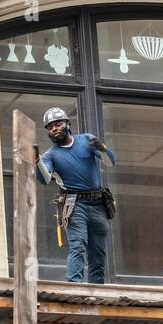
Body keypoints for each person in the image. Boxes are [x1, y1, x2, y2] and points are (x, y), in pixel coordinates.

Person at [36, 107, 116, 284]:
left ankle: (97, 289)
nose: (54, 129)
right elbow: (44, 178)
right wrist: (37, 161)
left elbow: (110, 163)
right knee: (78, 245)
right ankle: (74, 285)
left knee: (98, 250)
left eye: (58, 124)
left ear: (67, 124)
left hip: (97, 203)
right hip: (74, 204)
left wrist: (102, 148)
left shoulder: (86, 140)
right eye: (50, 127)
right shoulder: (50, 155)